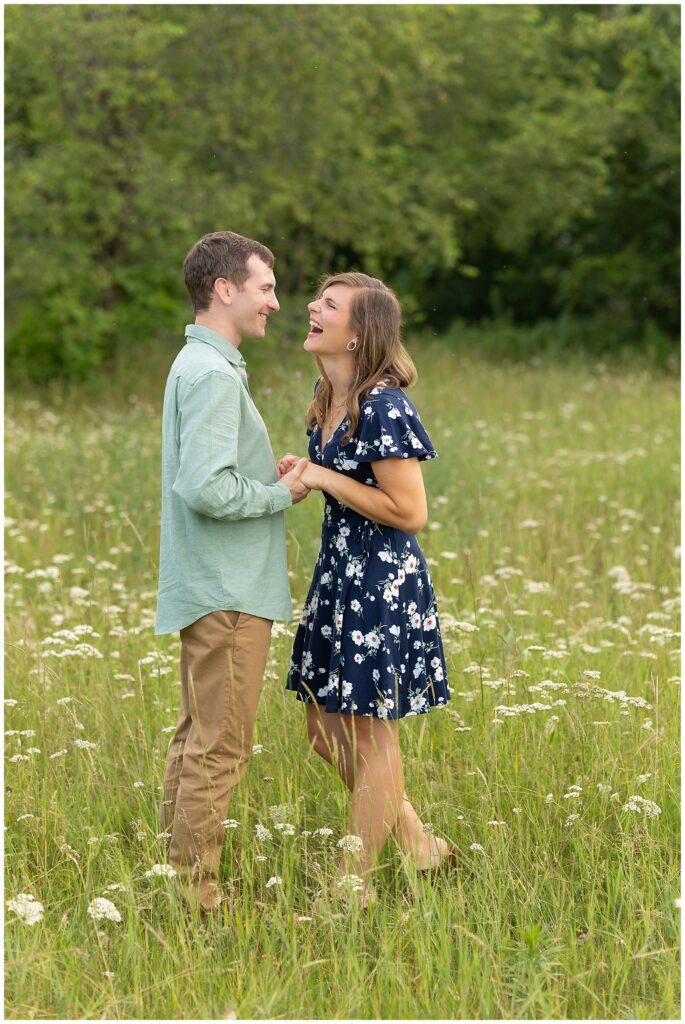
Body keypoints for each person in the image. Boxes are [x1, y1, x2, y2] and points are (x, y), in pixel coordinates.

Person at [279, 272, 455, 908]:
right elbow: (344, 485)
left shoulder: (384, 404)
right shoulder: (328, 395)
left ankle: (352, 889)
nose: (312, 308)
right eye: (317, 300)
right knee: (323, 731)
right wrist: (306, 472)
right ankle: (417, 841)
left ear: (360, 333)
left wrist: (324, 476)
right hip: (339, 577)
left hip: (380, 585)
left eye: (330, 305)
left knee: (373, 736)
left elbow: (409, 512)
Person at [155, 230, 309, 914]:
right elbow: (205, 489)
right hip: (228, 593)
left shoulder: (199, 365)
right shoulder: (212, 374)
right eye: (265, 287)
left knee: (196, 740)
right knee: (219, 751)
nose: (274, 303)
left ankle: (174, 886)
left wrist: (261, 476)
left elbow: (215, 476)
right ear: (225, 289)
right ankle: (196, 903)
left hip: (212, 586)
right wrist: (284, 494)